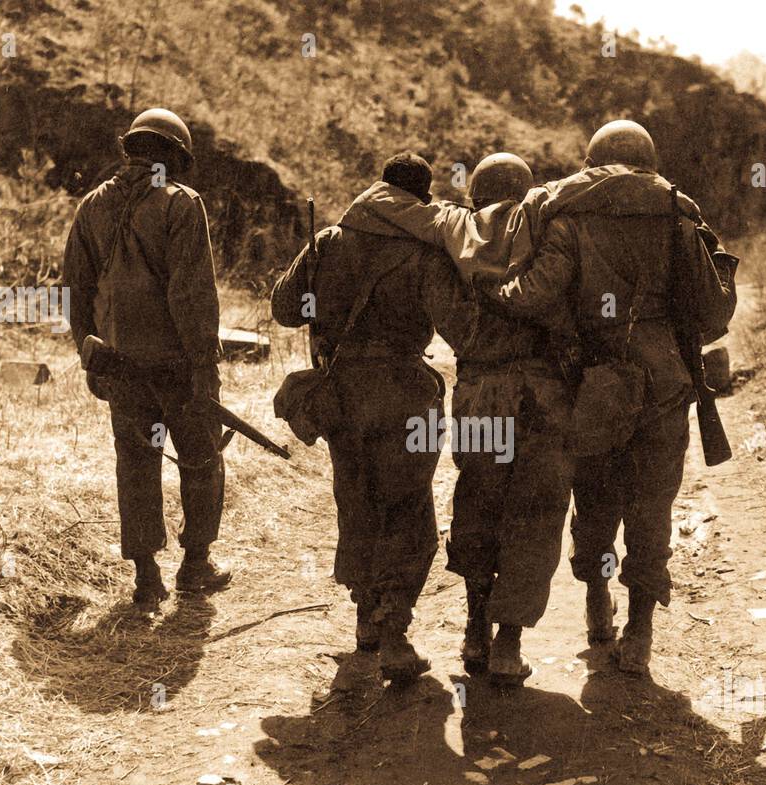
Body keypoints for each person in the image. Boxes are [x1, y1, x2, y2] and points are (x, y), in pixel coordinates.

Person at [488, 120, 731, 676]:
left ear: (594, 158)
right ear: (647, 157)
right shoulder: (677, 212)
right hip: (666, 382)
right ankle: (639, 634)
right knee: (652, 507)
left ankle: (598, 602)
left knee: (595, 498)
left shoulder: (567, 210)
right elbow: (713, 313)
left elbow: (537, 296)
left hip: (592, 380)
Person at [344, 152, 574, 687]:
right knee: (536, 515)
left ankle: (473, 628)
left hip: (480, 396)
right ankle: (507, 646)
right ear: (527, 192)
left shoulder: (453, 239)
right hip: (543, 400)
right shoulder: (556, 235)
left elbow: (454, 326)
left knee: (479, 502)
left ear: (474, 194)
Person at [270, 153, 472, 684]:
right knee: (409, 509)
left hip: (344, 395)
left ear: (378, 187)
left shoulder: (330, 239)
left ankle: (366, 617)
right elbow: (459, 326)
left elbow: (286, 308)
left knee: (356, 502)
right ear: (420, 199)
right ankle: (395, 630)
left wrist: (321, 293)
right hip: (407, 395)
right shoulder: (426, 247)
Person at [63, 107, 230, 609]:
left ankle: (146, 578)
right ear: (176, 157)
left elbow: (74, 289)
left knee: (136, 464)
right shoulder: (182, 203)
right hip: (176, 366)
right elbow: (192, 293)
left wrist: (89, 354)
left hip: (119, 365)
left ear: (129, 147)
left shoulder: (91, 205)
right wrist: (204, 365)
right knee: (202, 460)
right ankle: (196, 565)